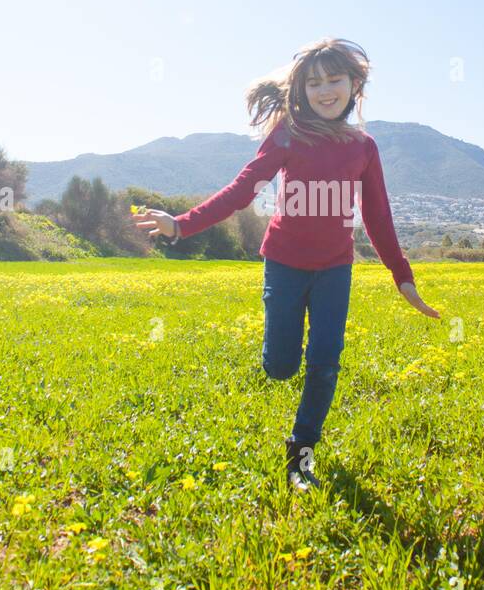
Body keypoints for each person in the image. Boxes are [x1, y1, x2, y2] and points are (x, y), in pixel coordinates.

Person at [131, 37, 439, 492]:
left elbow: (377, 216)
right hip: (284, 265)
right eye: (314, 82)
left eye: (335, 80)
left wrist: (403, 275)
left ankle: (300, 456)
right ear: (302, 90)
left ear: (354, 84)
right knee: (280, 367)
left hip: (335, 269)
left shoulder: (364, 147)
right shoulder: (288, 135)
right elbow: (242, 189)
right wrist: (180, 225)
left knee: (326, 362)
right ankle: (278, 361)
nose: (325, 90)